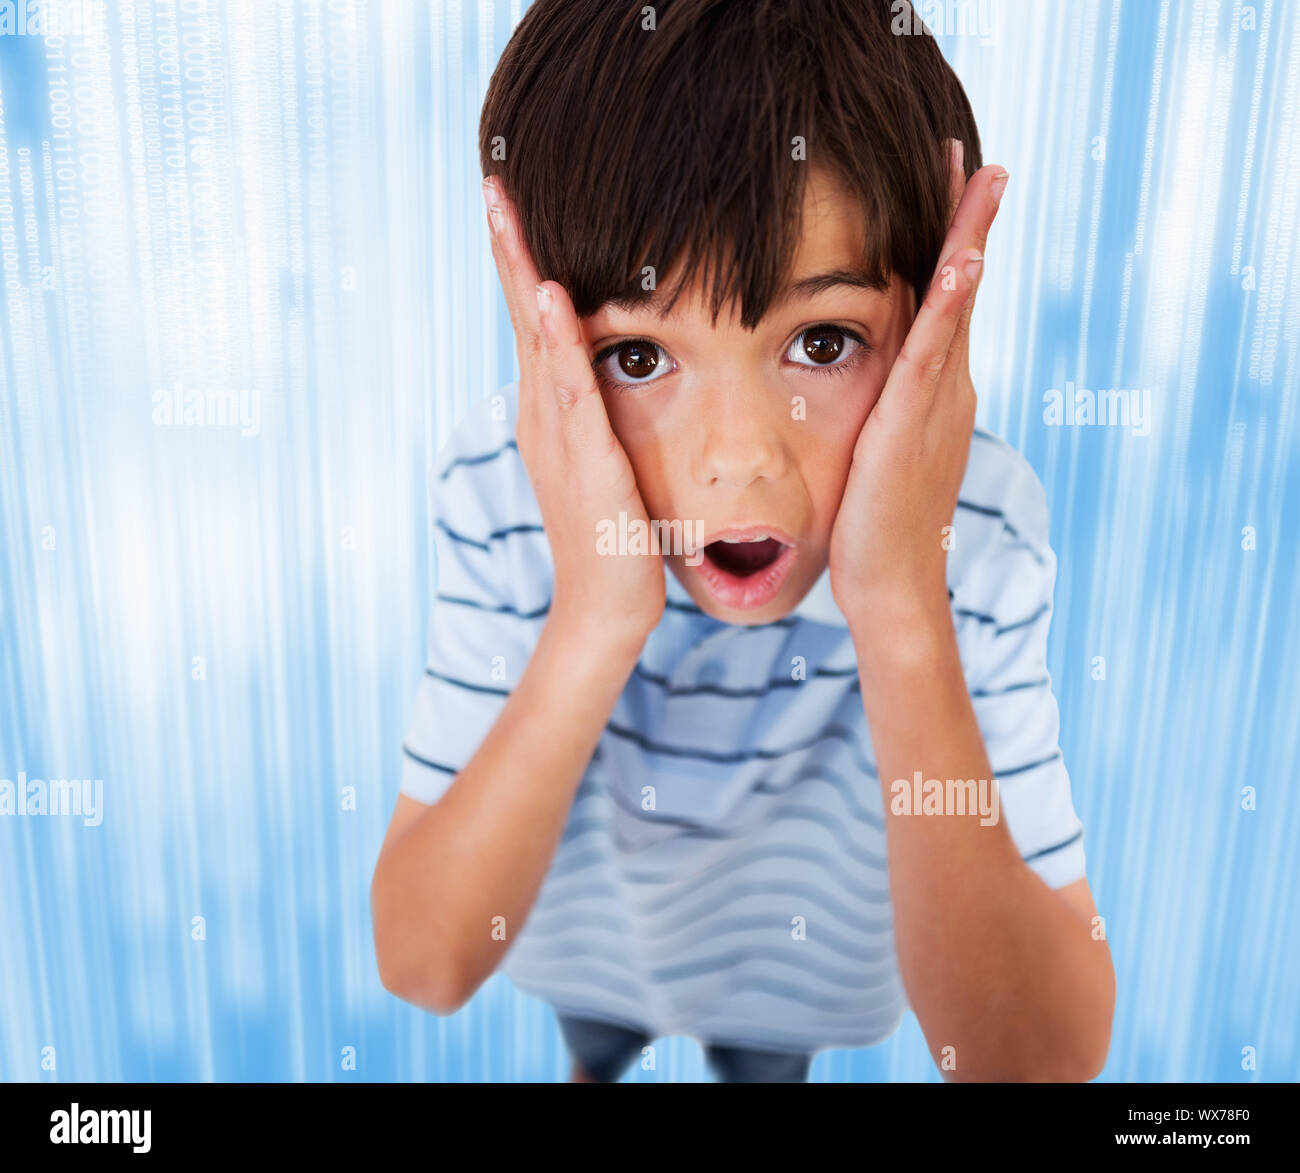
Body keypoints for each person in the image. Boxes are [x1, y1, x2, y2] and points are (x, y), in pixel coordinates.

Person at [372, 0, 1115, 1083]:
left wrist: (901, 604)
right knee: (595, 1043)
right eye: (635, 356)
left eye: (822, 342)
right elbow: (427, 960)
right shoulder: (504, 481)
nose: (739, 463)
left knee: (766, 1058)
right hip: (588, 953)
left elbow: (1035, 1062)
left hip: (794, 973)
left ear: (931, 331)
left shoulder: (978, 523)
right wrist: (595, 614)